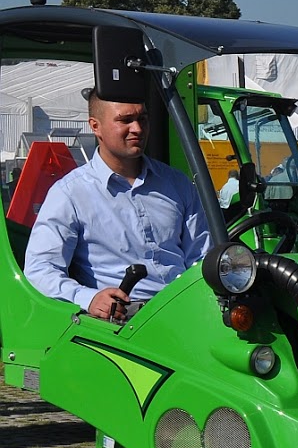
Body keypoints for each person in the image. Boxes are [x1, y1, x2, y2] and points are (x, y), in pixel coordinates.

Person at [24, 93, 210, 322]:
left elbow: (202, 256)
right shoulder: (69, 194)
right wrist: (89, 298)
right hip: (122, 324)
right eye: (125, 120)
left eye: (143, 118)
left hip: (186, 313)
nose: (138, 129)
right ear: (96, 126)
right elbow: (40, 270)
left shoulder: (177, 183)